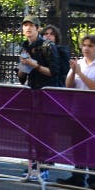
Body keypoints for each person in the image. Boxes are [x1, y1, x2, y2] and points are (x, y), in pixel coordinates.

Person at [56, 34, 95, 190]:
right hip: (78, 110)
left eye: (90, 46)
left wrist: (80, 73)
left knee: (94, 146)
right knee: (78, 144)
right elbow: (69, 85)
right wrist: (74, 72)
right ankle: (78, 176)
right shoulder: (79, 63)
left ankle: (94, 180)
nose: (86, 48)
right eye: (84, 45)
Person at [18, 16, 61, 181]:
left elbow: (53, 72)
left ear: (37, 28)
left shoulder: (48, 46)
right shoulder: (24, 46)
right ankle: (31, 167)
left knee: (45, 132)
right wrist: (23, 66)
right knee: (31, 131)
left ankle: (43, 168)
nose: (28, 28)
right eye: (25, 26)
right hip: (32, 92)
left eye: (31, 25)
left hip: (47, 94)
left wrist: (35, 65)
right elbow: (22, 77)